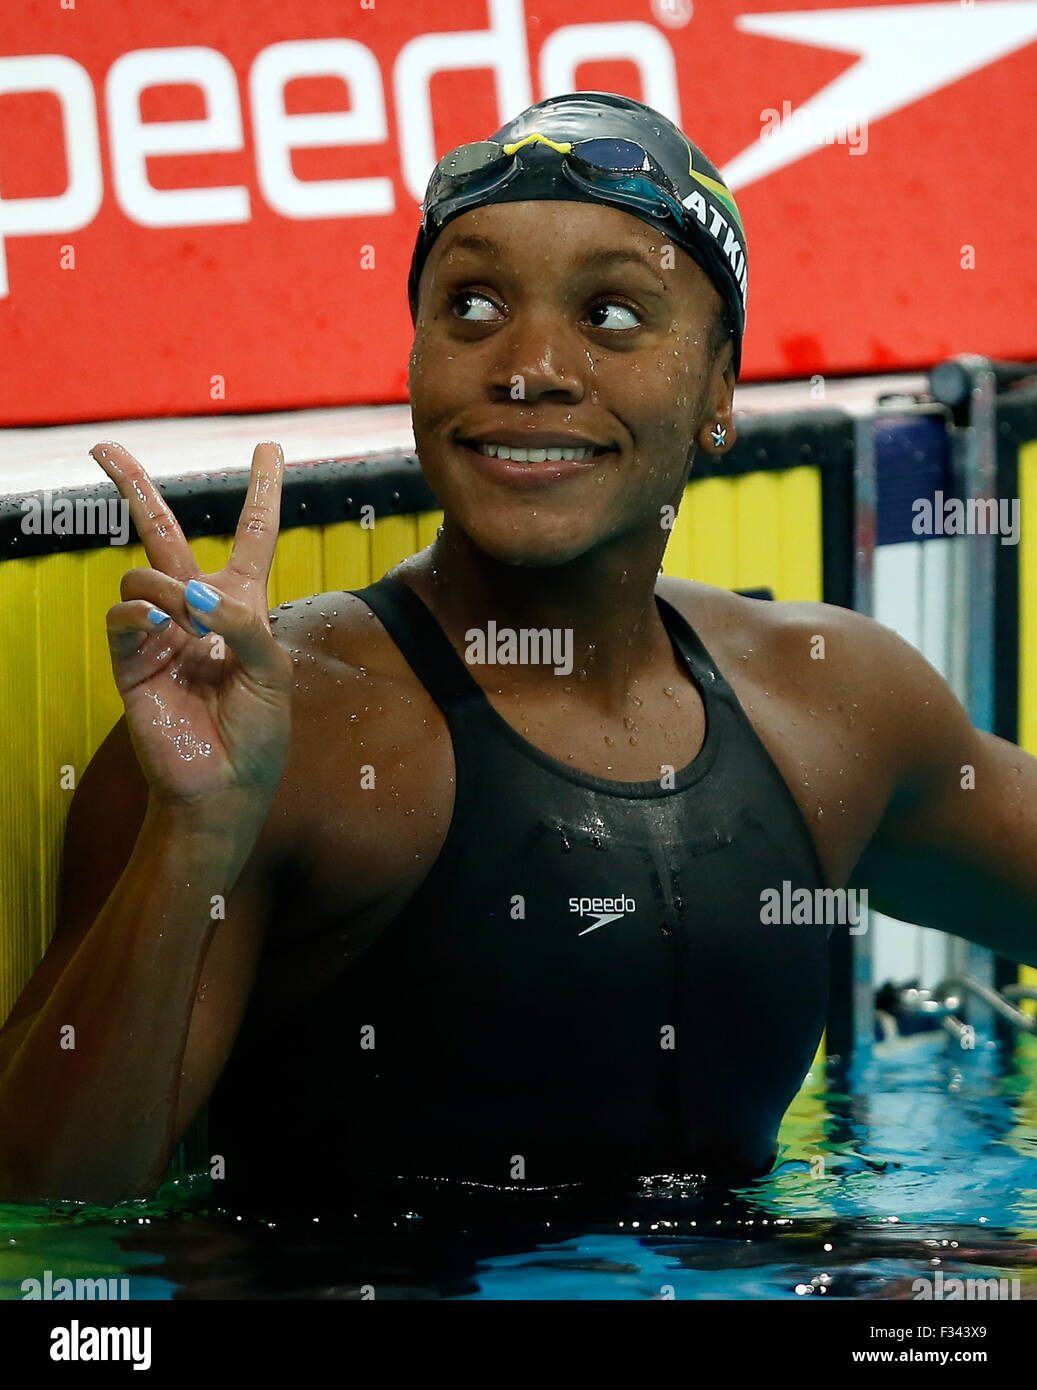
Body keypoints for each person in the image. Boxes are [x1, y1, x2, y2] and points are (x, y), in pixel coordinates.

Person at [1, 92, 1036, 1210]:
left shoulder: (832, 702)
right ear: (414, 358)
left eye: (614, 316)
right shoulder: (287, 732)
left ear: (720, 388)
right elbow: (45, 1204)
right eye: (473, 306)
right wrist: (194, 834)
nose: (529, 364)